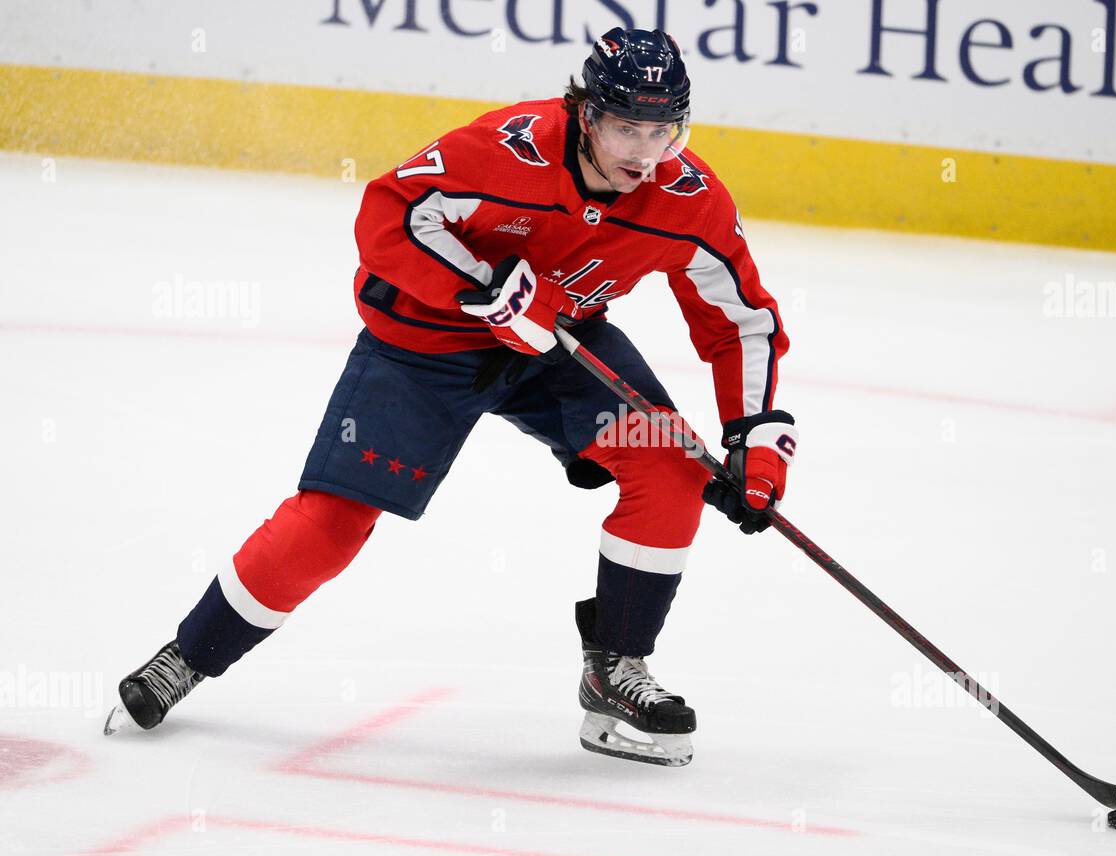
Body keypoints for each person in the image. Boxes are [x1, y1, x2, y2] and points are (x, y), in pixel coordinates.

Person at [105, 28, 796, 767]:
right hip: (426, 342)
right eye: (628, 127)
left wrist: (754, 434)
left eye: (663, 132)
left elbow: (742, 322)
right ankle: (188, 656)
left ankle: (615, 668)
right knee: (333, 522)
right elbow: (389, 214)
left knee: (670, 468)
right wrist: (482, 289)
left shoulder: (687, 197)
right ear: (587, 114)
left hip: (557, 341)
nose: (643, 152)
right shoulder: (507, 149)